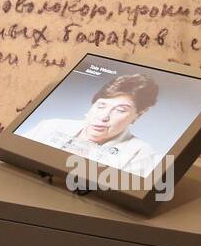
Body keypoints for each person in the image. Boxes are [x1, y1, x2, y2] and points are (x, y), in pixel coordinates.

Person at [21, 73, 162, 178]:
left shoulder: (142, 155)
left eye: (120, 110)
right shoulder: (51, 126)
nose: (103, 117)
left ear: (139, 114)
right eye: (101, 105)